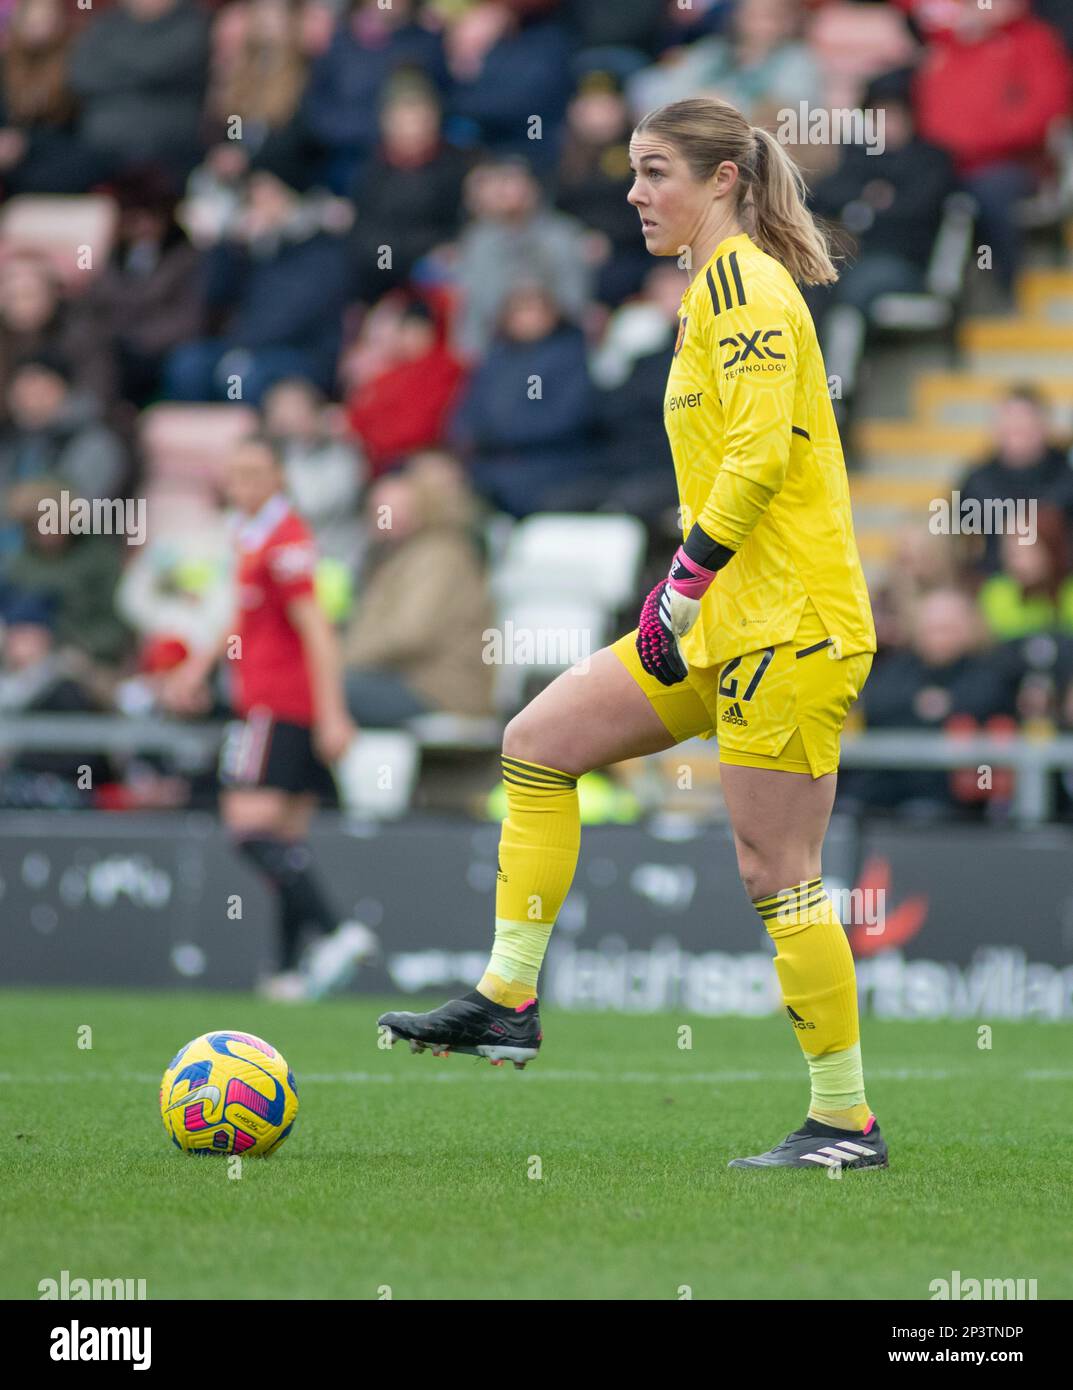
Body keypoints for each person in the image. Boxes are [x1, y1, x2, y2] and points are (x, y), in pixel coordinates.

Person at [380, 96, 887, 1173]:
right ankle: (508, 995)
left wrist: (680, 585)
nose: (633, 192)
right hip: (725, 626)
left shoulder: (744, 282)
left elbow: (754, 459)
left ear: (721, 181)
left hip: (785, 623)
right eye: (631, 171)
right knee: (536, 743)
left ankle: (842, 1122)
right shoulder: (710, 286)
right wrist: (694, 602)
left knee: (775, 870)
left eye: (655, 171)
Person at [163, 435, 376, 1001]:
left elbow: (318, 630)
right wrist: (199, 668)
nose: (244, 485)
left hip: (275, 706)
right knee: (287, 840)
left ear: (279, 476)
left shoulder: (286, 542)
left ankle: (336, 931)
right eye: (236, 474)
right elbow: (243, 618)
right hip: (283, 705)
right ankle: (284, 971)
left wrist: (334, 715)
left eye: (256, 473)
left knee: (247, 829)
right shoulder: (251, 536)